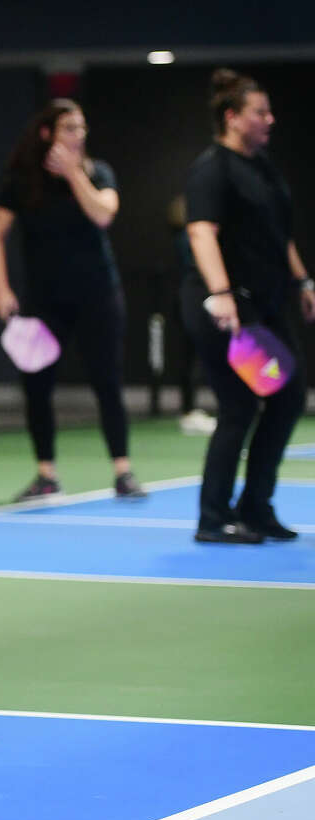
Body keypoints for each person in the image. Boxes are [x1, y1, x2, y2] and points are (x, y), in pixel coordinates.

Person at [0, 99, 146, 502]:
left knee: (107, 381)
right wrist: (1, 288)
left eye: (82, 129)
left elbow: (104, 214)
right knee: (37, 386)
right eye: (69, 129)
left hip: (98, 296)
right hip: (44, 302)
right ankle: (46, 475)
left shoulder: (99, 173)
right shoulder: (21, 182)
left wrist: (75, 174)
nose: (79, 135)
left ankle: (123, 471)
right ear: (47, 134)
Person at [182, 68, 315, 544]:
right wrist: (221, 294)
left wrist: (303, 280)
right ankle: (212, 519)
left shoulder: (263, 167)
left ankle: (256, 506)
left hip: (269, 303)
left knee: (287, 396)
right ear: (233, 117)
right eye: (261, 112)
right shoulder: (211, 169)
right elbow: (201, 232)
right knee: (239, 406)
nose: (271, 119)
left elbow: (281, 235)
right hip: (228, 311)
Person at [167, 194, 217, 436]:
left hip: (196, 304)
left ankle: (191, 410)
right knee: (190, 360)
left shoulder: (186, 237)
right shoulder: (188, 239)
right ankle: (188, 412)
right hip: (192, 305)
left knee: (194, 359)